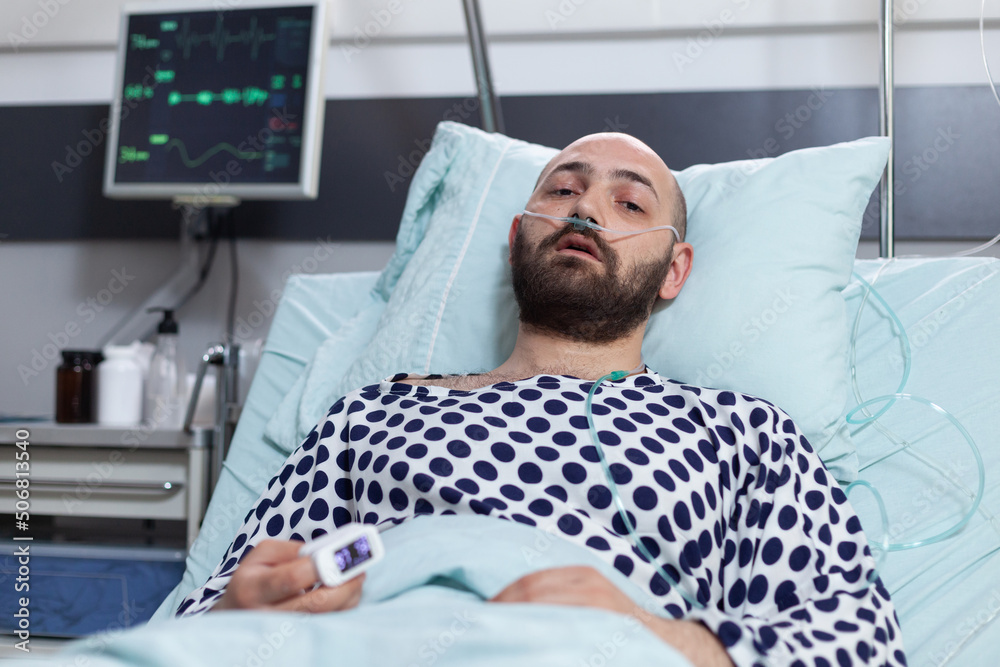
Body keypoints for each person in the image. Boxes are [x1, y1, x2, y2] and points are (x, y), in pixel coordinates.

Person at [176, 133, 906, 667]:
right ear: (515, 236)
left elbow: (861, 640)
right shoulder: (369, 412)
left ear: (673, 271)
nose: (586, 207)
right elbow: (203, 614)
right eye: (562, 188)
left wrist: (656, 635)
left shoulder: (742, 431)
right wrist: (242, 614)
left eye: (628, 201)